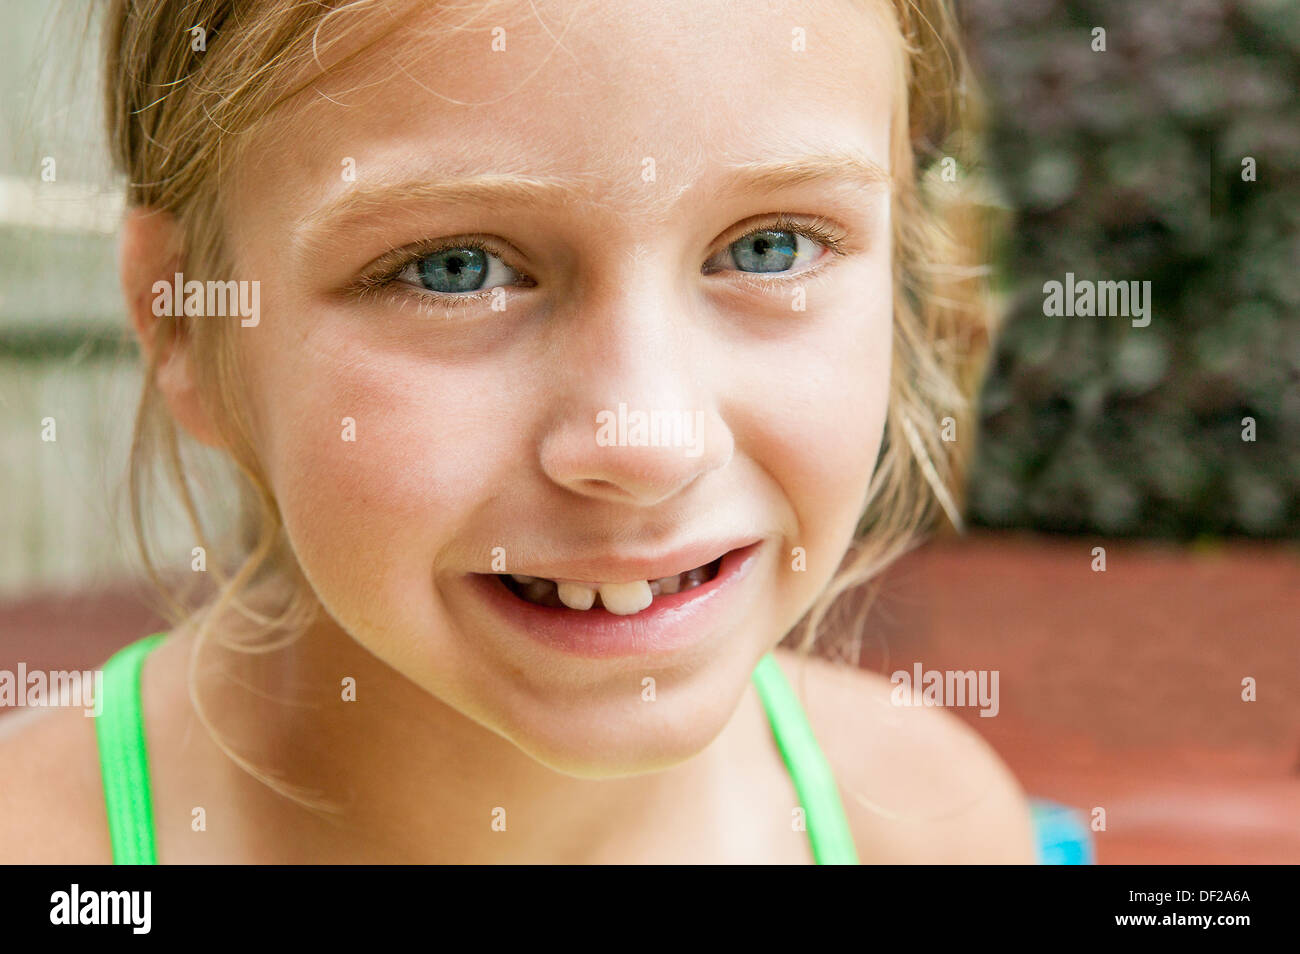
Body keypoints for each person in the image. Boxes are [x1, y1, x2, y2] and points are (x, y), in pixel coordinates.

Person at [0, 0, 1090, 864]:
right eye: (454, 269)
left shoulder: (926, 826)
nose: (647, 438)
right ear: (184, 318)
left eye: (768, 248)